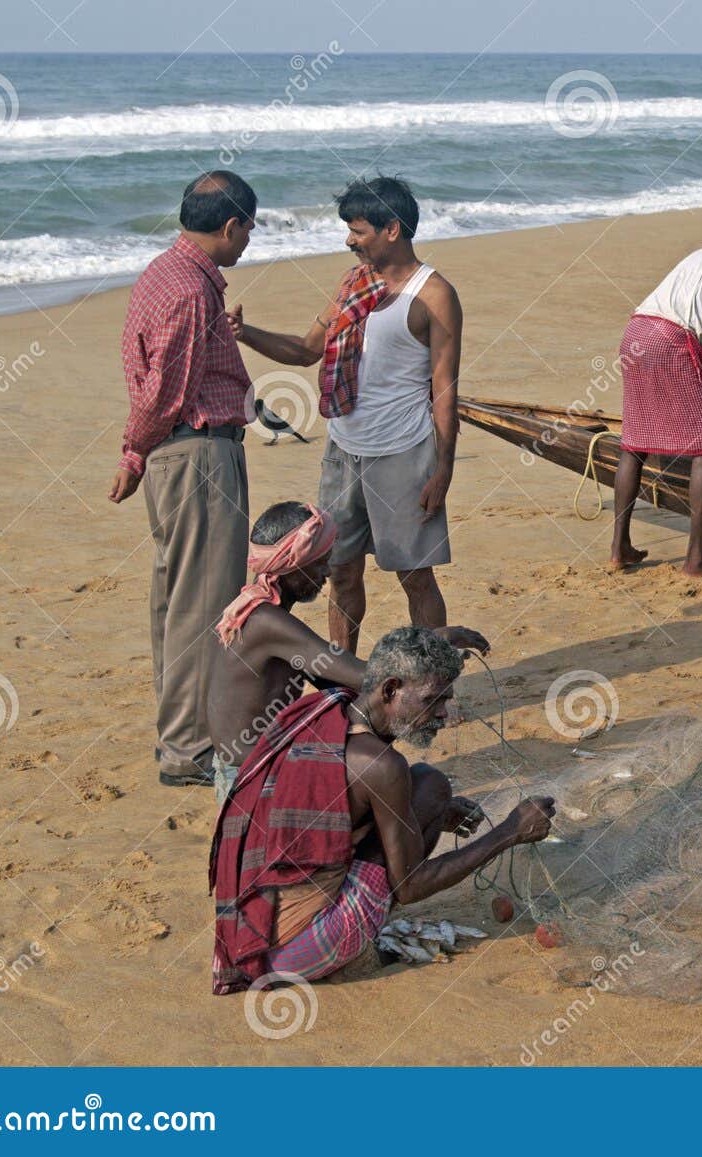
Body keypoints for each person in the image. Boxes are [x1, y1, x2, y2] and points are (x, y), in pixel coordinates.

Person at [211, 627, 554, 993]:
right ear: (390, 690)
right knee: (429, 784)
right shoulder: (380, 765)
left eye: (446, 700)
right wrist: (509, 832)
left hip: (247, 936)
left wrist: (435, 811)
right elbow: (410, 887)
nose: (443, 713)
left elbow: (331, 811)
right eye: (431, 700)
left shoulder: (332, 707)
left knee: (426, 791)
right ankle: (350, 948)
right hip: (296, 950)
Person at [230, 176, 462, 655]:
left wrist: (443, 470)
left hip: (404, 453)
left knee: (415, 577)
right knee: (340, 570)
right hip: (344, 451)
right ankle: (345, 679)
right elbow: (305, 350)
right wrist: (243, 331)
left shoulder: (434, 295)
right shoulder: (355, 285)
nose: (349, 240)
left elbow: (445, 389)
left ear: (392, 229)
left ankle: (436, 686)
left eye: (358, 231)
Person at [110, 170, 257, 787]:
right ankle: (189, 750)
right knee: (205, 606)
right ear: (230, 226)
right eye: (249, 228)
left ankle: (178, 736)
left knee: (176, 602)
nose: (249, 239)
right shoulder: (191, 293)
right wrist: (131, 453)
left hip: (180, 456)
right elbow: (162, 393)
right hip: (196, 455)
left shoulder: (166, 272)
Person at [207, 500, 489, 809]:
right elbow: (368, 675)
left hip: (254, 765)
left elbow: (341, 682)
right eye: (319, 563)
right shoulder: (267, 622)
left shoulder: (262, 612)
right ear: (293, 564)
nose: (326, 572)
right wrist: (436, 639)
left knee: (372, 719)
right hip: (253, 780)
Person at [610, 244, 702, 577]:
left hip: (637, 330)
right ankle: (697, 559)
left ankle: (619, 547)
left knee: (635, 444)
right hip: (671, 340)